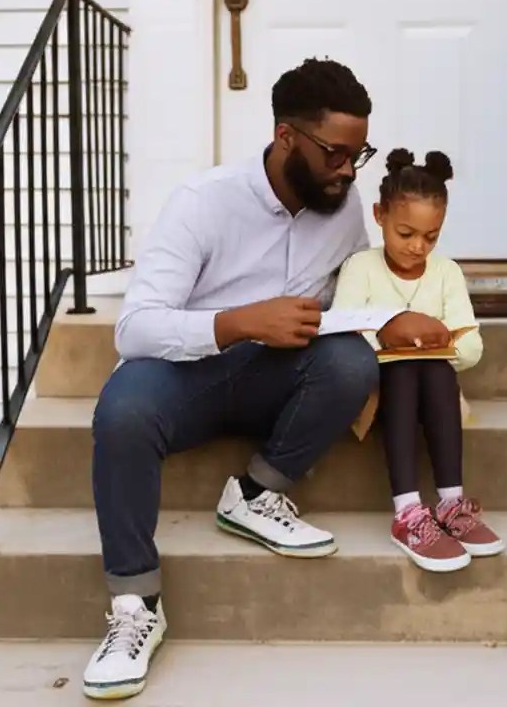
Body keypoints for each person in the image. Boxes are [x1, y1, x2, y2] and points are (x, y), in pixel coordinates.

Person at [81, 59, 452, 701]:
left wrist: (391, 315)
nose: (347, 171)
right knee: (121, 411)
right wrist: (241, 322)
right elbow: (134, 330)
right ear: (286, 137)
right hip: (185, 375)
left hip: (279, 379)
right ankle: (135, 606)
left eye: (357, 154)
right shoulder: (203, 203)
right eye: (336, 153)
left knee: (350, 363)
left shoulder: (342, 203)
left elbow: (347, 293)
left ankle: (256, 494)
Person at [331, 148, 504, 574]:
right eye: (406, 233)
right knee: (407, 368)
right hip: (379, 389)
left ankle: (450, 504)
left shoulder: (446, 273)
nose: (417, 247)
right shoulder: (361, 267)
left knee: (435, 368)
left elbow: (470, 344)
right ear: (380, 215)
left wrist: (437, 342)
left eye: (430, 237)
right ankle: (407, 510)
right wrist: (394, 341)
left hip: (437, 387)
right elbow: (344, 328)